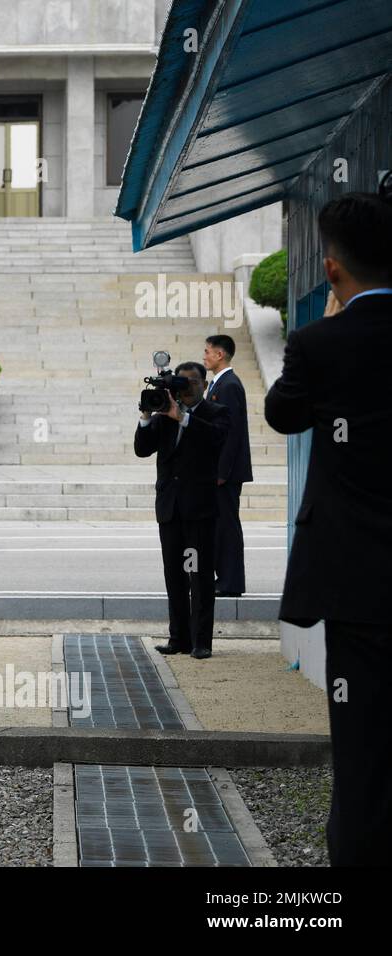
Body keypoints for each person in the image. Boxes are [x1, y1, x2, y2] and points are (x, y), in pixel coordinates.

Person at [264, 186, 392, 867]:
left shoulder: (321, 344)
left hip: (358, 581)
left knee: (364, 738)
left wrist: (330, 322)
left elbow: (283, 414)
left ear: (333, 268)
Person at [134, 362, 228, 659]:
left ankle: (202, 642)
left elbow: (216, 441)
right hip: (170, 508)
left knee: (199, 576)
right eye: (182, 383)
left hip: (199, 509)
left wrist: (184, 417)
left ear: (204, 384)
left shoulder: (216, 412)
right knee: (174, 576)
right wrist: (147, 417)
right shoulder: (164, 413)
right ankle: (178, 638)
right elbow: (142, 449)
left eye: (192, 382)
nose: (186, 388)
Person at [203, 335, 252, 597]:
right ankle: (223, 578)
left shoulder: (230, 385)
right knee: (220, 526)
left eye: (208, 351)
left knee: (227, 526)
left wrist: (222, 472)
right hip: (220, 470)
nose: (205, 356)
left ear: (220, 354)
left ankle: (231, 583)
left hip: (226, 473)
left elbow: (232, 433)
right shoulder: (217, 384)